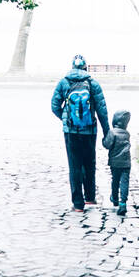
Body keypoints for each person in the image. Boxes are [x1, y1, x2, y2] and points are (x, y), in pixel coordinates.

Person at [51, 55, 110, 211]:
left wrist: (66, 118)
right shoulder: (92, 83)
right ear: (86, 68)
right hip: (90, 130)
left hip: (70, 131)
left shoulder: (64, 82)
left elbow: (55, 105)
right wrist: (106, 131)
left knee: (74, 165)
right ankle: (90, 197)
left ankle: (78, 204)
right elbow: (102, 110)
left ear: (72, 67)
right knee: (89, 163)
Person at [102, 110, 131, 216]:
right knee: (124, 182)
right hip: (126, 163)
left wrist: (103, 139)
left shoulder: (112, 132)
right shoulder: (127, 134)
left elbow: (107, 145)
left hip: (115, 163)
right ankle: (123, 203)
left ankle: (114, 198)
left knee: (115, 180)